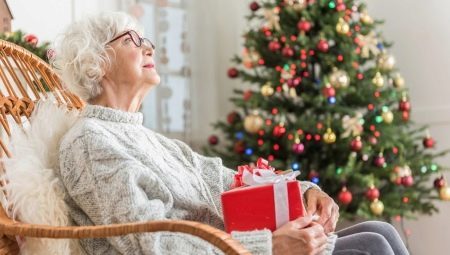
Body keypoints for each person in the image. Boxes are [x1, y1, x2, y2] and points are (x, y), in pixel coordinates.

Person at [54, 12, 409, 255]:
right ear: (95, 61)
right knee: (373, 247)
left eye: (147, 39)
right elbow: (150, 244)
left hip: (239, 249)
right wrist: (267, 247)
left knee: (381, 231)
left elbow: (226, 181)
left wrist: (306, 190)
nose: (149, 47)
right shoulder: (89, 141)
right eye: (132, 39)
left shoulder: (151, 140)